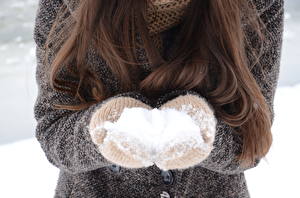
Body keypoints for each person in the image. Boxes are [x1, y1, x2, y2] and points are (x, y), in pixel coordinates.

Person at [33, 0, 284, 197]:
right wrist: (100, 130)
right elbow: (53, 131)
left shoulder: (255, 3)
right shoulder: (67, 4)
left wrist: (204, 132)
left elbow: (251, 140)